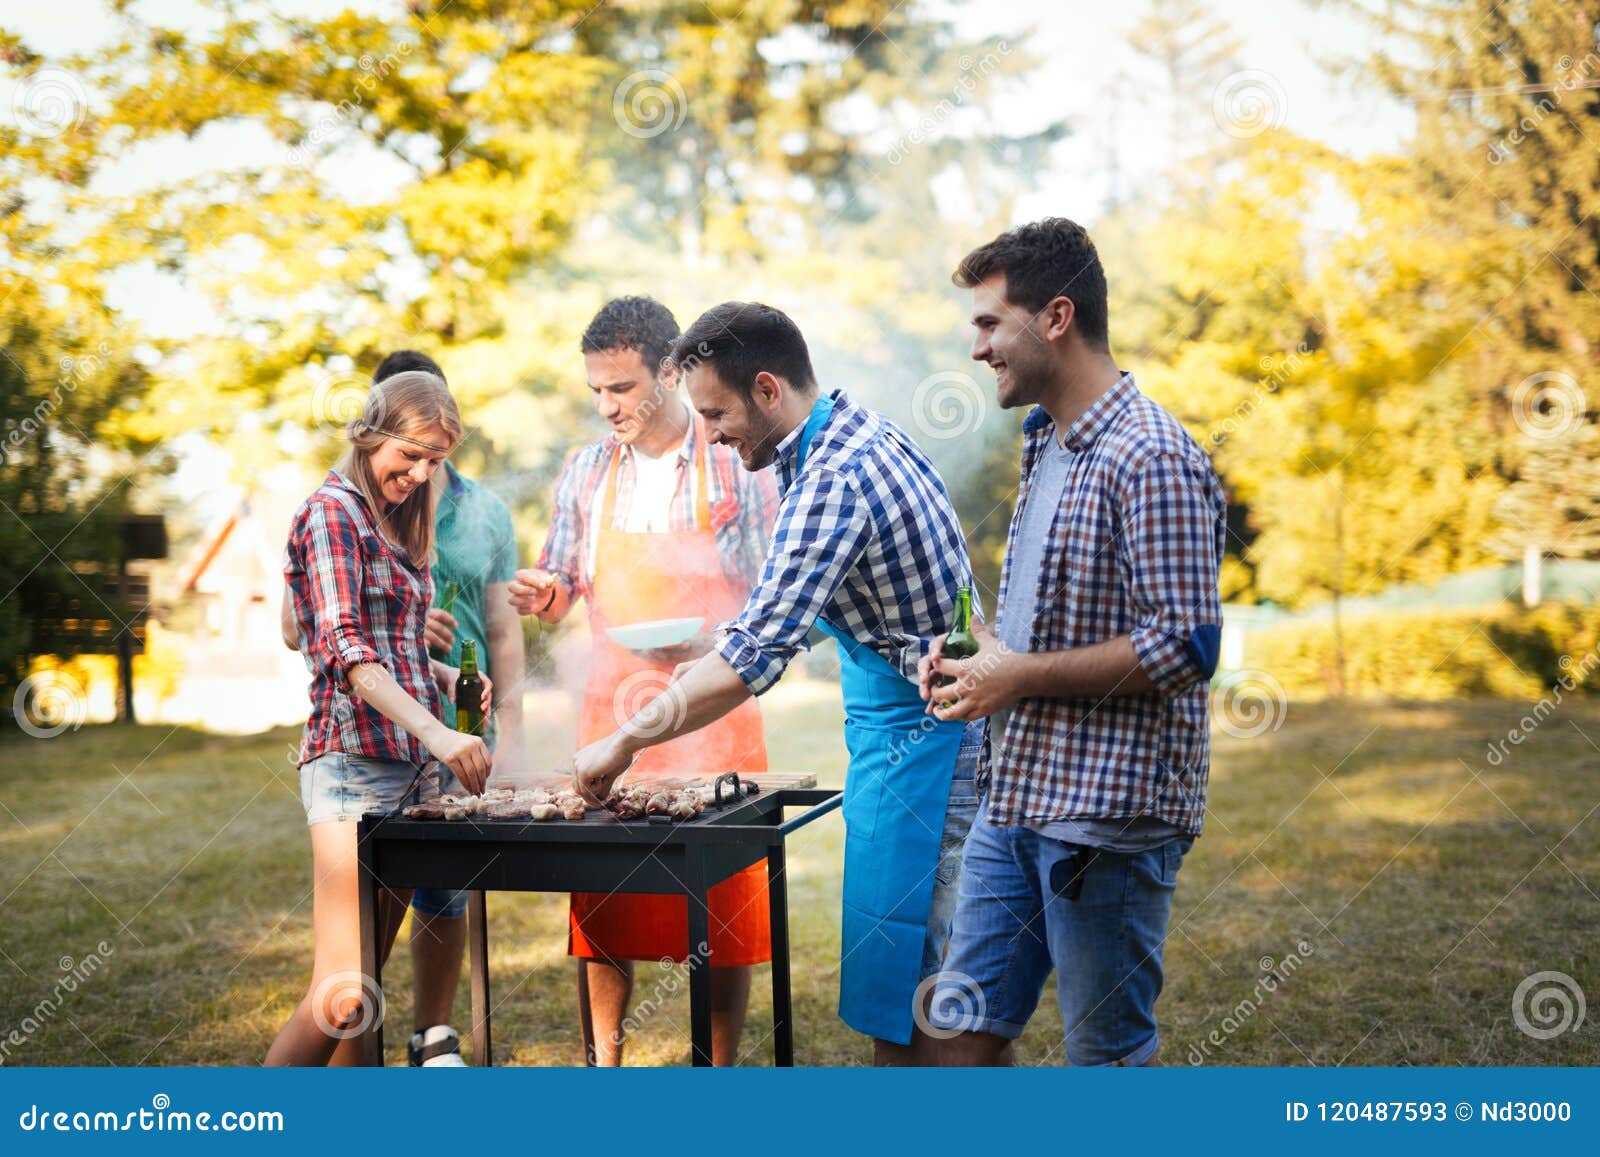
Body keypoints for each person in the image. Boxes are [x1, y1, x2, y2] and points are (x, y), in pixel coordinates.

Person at [572, 301, 982, 1065]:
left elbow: (755, 657)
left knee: (926, 1000)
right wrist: (715, 640)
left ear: (767, 389)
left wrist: (624, 740)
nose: (714, 435)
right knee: (934, 988)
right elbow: (806, 609)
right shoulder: (856, 432)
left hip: (933, 750)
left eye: (718, 414)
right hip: (903, 739)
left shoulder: (833, 478)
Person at [919, 218, 1226, 1066]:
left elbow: (1185, 646)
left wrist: (1016, 677)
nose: (977, 347)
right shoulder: (1047, 441)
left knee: (1106, 1059)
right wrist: (978, 656)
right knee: (959, 1029)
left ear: (1056, 317)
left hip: (1106, 819)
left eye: (989, 323)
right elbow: (1034, 633)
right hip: (1013, 800)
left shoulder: (1151, 455)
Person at [507, 296, 778, 1066]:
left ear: (668, 373)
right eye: (595, 389)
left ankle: (715, 1076)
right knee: (606, 902)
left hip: (712, 707)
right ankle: (606, 1069)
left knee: (725, 910)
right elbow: (563, 584)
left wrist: (713, 636)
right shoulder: (587, 470)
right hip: (611, 706)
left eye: (620, 388)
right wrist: (543, 594)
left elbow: (770, 592)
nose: (605, 406)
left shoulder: (732, 457)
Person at [267, 369, 492, 1066]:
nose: (422, 473)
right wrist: (441, 730)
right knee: (340, 992)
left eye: (435, 462)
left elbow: (395, 648)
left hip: (410, 770)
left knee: (364, 992)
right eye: (412, 454)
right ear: (369, 433)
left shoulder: (391, 520)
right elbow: (339, 647)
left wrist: (450, 680)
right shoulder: (331, 512)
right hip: (351, 767)